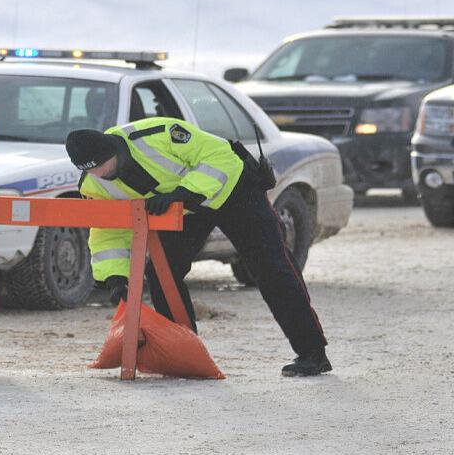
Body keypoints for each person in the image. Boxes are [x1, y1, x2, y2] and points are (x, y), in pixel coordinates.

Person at [66, 117, 332, 377]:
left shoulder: (158, 134)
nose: (100, 174)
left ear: (114, 151)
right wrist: (115, 278)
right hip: (185, 210)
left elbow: (220, 156)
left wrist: (183, 193)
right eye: (91, 170)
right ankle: (183, 353)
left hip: (233, 189)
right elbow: (109, 231)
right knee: (161, 274)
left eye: (102, 166)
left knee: (271, 266)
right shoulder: (94, 184)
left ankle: (312, 352)